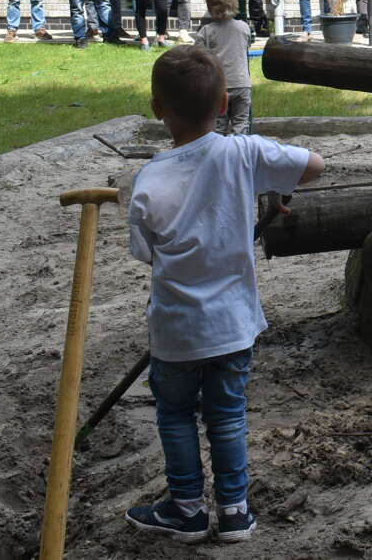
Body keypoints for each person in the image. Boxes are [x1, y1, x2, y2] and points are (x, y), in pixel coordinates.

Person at [125, 46, 323, 544]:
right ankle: (235, 511)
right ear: (223, 104)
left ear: (157, 109)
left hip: (175, 329)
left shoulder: (148, 180)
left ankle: (187, 508)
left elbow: (147, 254)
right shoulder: (243, 152)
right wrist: (273, 184)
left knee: (174, 413)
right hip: (233, 324)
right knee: (227, 415)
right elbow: (314, 165)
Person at [195, 0, 253, 135]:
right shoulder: (244, 27)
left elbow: (198, 58)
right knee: (241, 124)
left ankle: (218, 154)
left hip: (218, 86)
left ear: (208, 6)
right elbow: (247, 44)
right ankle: (239, 154)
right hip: (242, 84)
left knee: (218, 125)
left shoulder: (205, 32)